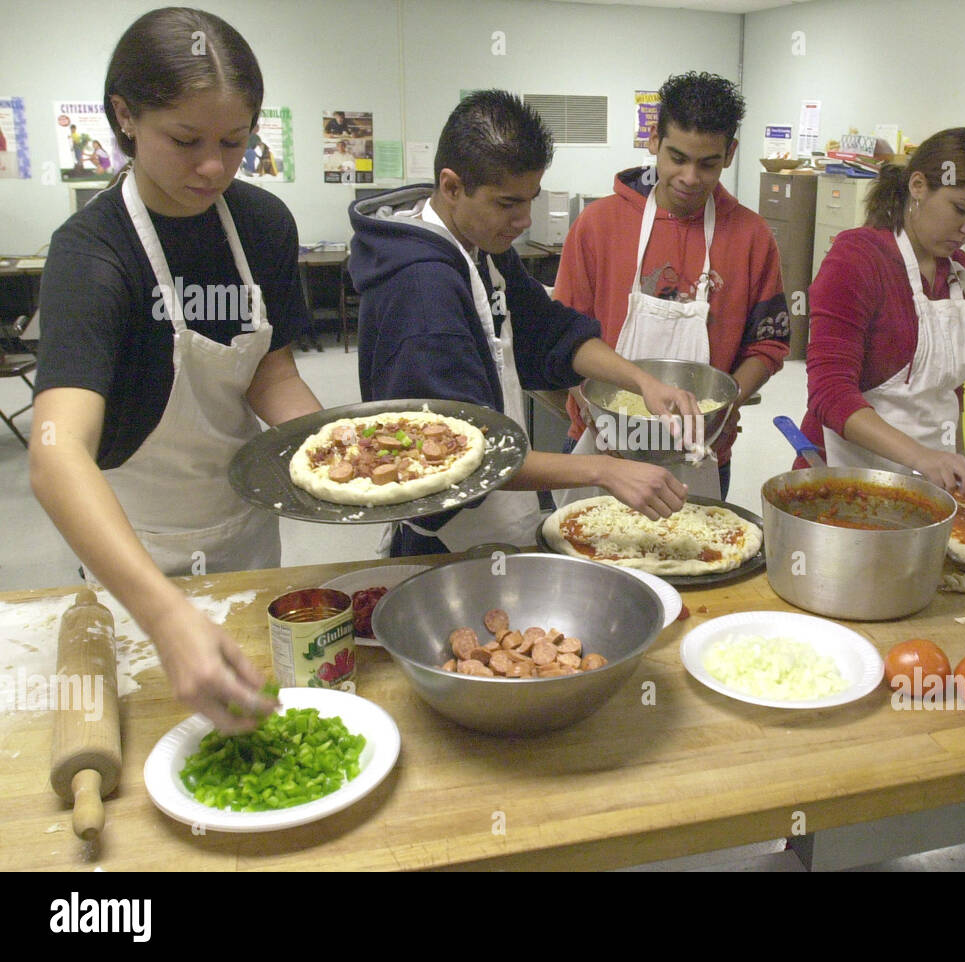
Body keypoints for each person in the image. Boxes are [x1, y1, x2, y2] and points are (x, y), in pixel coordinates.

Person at [30, 7, 322, 731]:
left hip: (246, 534)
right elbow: (55, 452)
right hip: (136, 549)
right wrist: (164, 616)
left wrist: (333, 447)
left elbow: (269, 373)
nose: (215, 167)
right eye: (185, 140)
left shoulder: (262, 225)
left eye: (235, 140)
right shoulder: (91, 255)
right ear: (125, 117)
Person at [349, 89, 697, 557]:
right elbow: (461, 454)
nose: (524, 220)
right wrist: (605, 470)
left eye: (531, 199)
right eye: (507, 203)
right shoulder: (421, 290)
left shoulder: (479, 247)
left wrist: (641, 381)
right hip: (445, 538)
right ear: (452, 187)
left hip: (496, 510)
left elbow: (547, 330)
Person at [553, 71, 790, 502]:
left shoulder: (751, 236)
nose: (690, 176)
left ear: (730, 154)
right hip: (599, 444)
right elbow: (561, 336)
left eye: (708, 163)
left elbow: (768, 345)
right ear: (653, 141)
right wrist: (595, 410)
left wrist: (723, 407)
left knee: (699, 560)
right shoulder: (598, 225)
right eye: (677, 157)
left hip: (701, 452)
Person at [796, 128, 965, 493]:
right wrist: (922, 457)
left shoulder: (960, 274)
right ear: (919, 186)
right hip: (846, 480)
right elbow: (830, 395)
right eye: (961, 209)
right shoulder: (857, 259)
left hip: (927, 485)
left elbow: (950, 391)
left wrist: (957, 462)